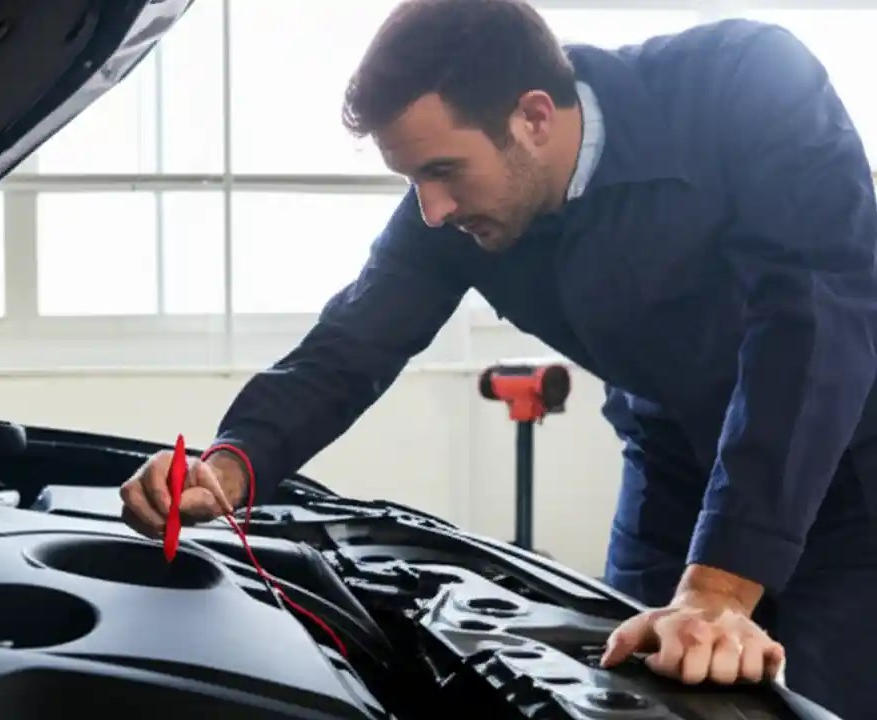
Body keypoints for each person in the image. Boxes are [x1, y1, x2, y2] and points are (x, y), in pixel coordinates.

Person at [118, 1, 877, 715]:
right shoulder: (447, 214)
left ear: (533, 117)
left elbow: (810, 321)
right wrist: (228, 465)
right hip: (673, 466)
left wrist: (719, 586)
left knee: (816, 702)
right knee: (623, 697)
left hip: (845, 471)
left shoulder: (748, 85)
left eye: (443, 170)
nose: (432, 209)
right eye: (414, 179)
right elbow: (350, 347)